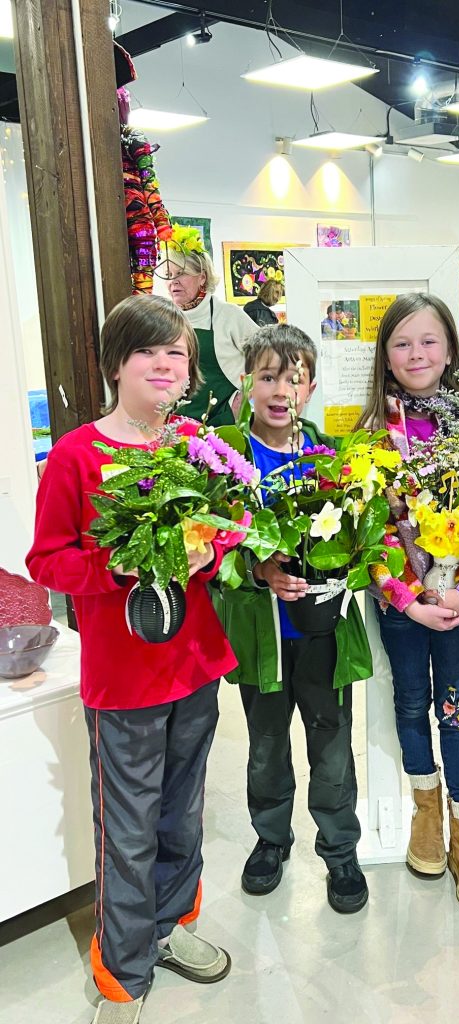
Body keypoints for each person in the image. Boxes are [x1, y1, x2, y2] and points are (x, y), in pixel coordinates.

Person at [26, 295, 235, 1024]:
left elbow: (222, 541)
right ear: (116, 364)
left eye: (175, 353)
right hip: (123, 678)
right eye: (147, 351)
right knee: (129, 825)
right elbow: (46, 563)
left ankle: (172, 925)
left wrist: (216, 546)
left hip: (197, 663)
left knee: (182, 812)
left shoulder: (196, 448)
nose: (162, 364)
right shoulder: (77, 454)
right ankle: (124, 971)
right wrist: (122, 565)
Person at [356, 293, 459, 913]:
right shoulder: (370, 433)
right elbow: (365, 531)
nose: (416, 354)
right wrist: (410, 597)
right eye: (402, 343)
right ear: (385, 358)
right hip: (404, 607)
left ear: (451, 349)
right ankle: (427, 813)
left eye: (429, 341)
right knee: (410, 700)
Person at [212, 325, 370, 914]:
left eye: (295, 377)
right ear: (247, 380)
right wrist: (257, 572)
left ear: (309, 386)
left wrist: (352, 562)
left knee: (332, 748)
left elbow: (361, 542)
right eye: (269, 376)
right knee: (266, 745)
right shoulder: (224, 456)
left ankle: (340, 851)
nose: (282, 390)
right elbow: (207, 549)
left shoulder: (331, 456)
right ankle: (270, 841)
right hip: (262, 638)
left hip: (323, 635)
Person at [160, 224, 255, 427]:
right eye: (168, 275)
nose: (173, 281)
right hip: (177, 425)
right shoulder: (163, 319)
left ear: (202, 277)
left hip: (225, 420)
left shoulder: (227, 315)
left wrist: (243, 400)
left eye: (181, 273)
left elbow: (268, 358)